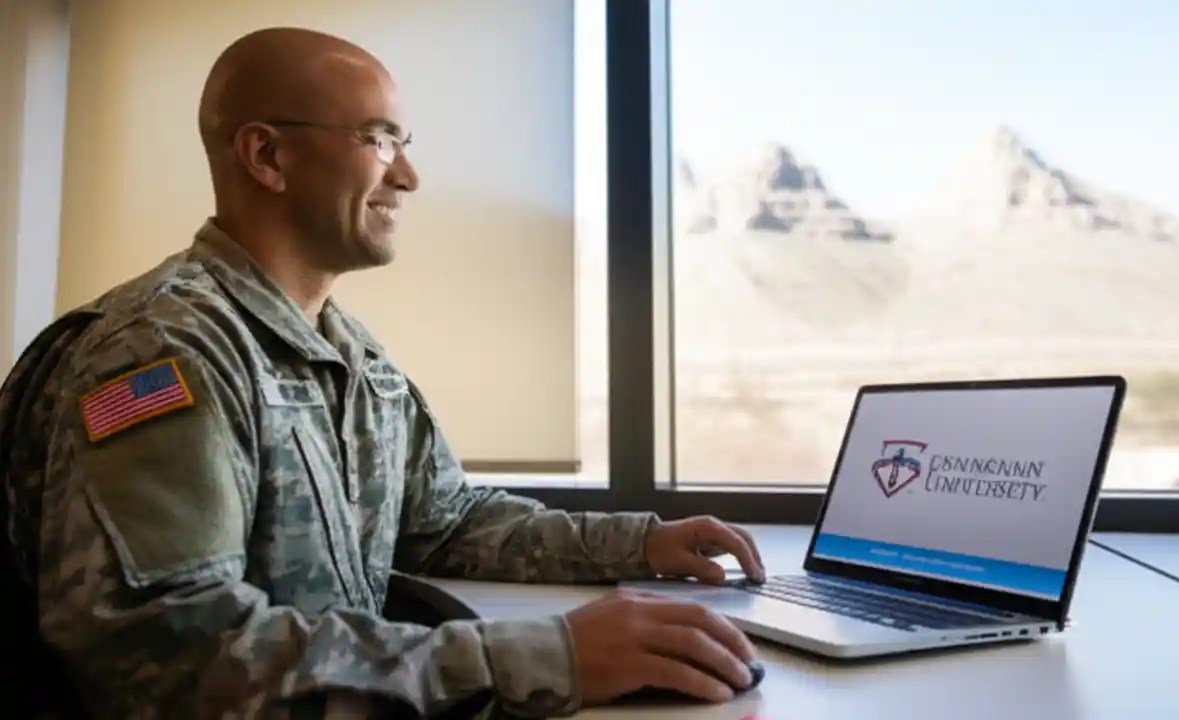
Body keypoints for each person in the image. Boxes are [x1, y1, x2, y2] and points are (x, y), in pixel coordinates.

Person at [0, 26, 769, 719]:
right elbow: (169, 659)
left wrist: (640, 546)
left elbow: (445, 521)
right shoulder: (165, 353)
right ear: (267, 155)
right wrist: (545, 656)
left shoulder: (353, 356)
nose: (408, 175)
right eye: (378, 139)